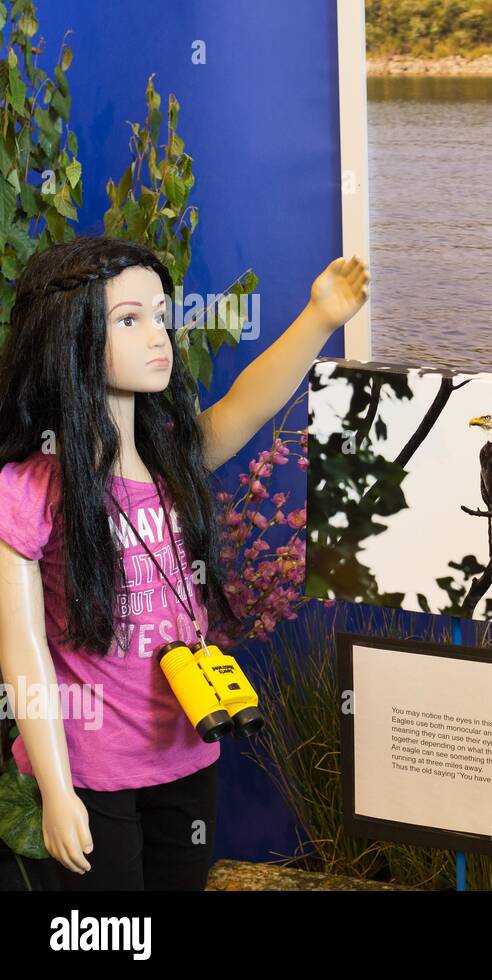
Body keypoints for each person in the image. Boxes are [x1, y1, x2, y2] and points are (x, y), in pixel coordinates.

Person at [0, 235, 369, 890]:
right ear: (73, 337)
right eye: (129, 319)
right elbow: (23, 655)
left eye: (160, 315)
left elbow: (248, 406)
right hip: (92, 770)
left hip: (186, 751)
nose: (157, 336)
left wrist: (320, 317)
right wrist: (56, 790)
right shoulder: (32, 490)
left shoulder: (172, 456)